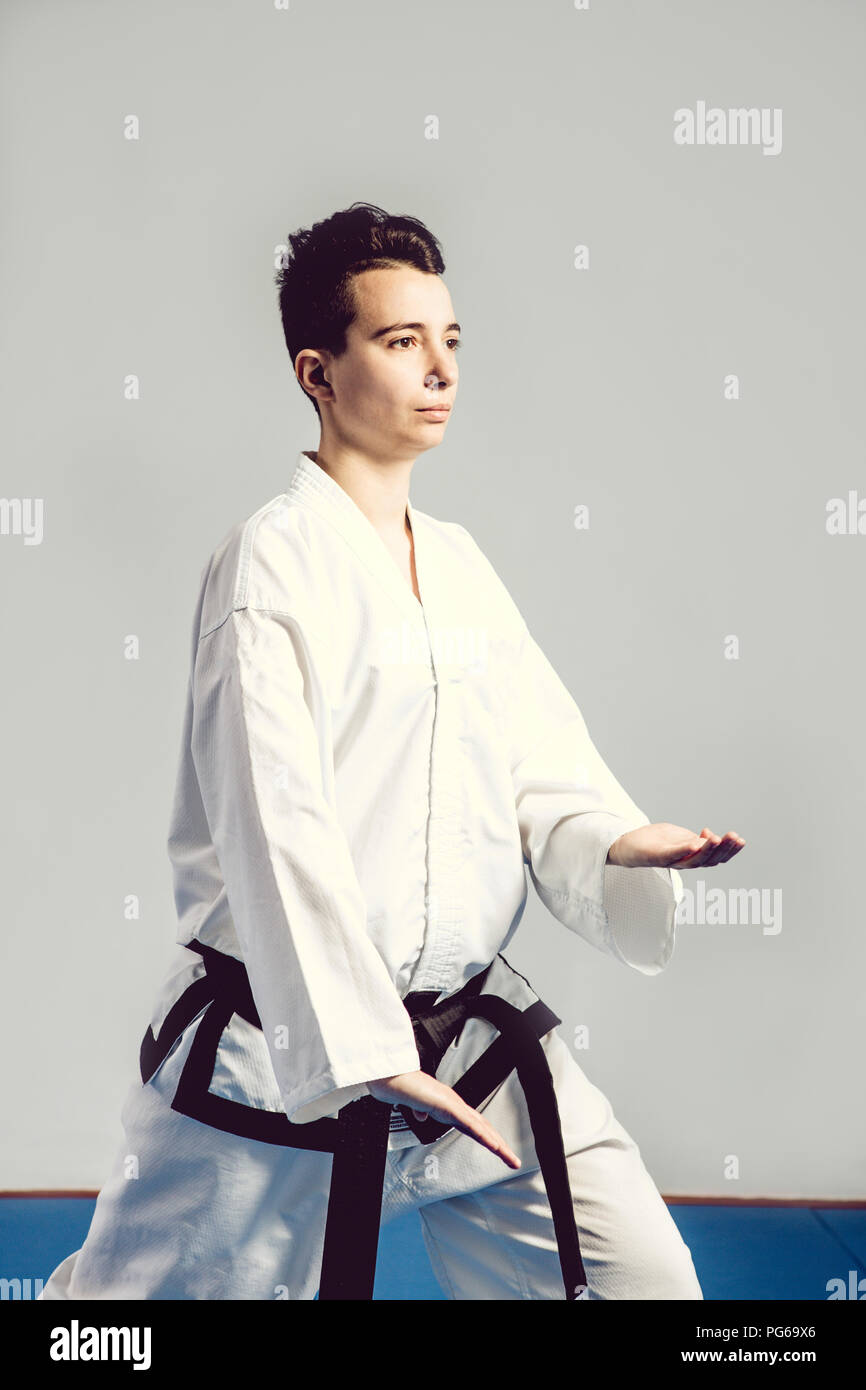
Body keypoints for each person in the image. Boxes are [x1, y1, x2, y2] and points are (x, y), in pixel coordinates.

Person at [40, 202, 744, 1301]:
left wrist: (613, 836)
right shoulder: (269, 566)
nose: (438, 370)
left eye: (449, 340)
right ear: (316, 371)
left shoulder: (459, 564)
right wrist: (363, 1049)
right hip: (281, 1057)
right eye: (399, 341)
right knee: (121, 1323)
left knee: (643, 1286)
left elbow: (534, 761)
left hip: (464, 1048)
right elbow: (274, 824)